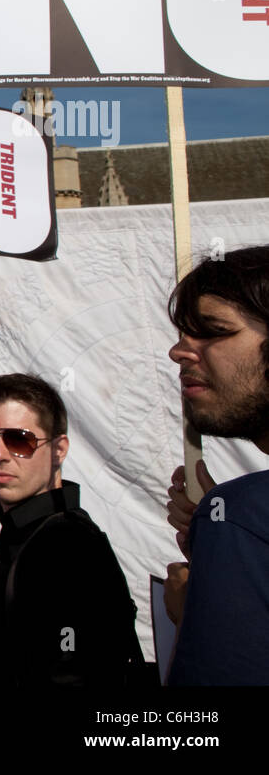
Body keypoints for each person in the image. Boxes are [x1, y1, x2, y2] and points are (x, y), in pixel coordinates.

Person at [0, 373, 144, 686]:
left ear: (58, 449)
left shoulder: (66, 544)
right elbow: (29, 608)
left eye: (19, 440)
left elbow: (75, 672)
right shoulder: (27, 528)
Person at [162, 245, 269, 685]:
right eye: (184, 333)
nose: (179, 352)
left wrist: (203, 606)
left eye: (212, 331)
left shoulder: (239, 516)